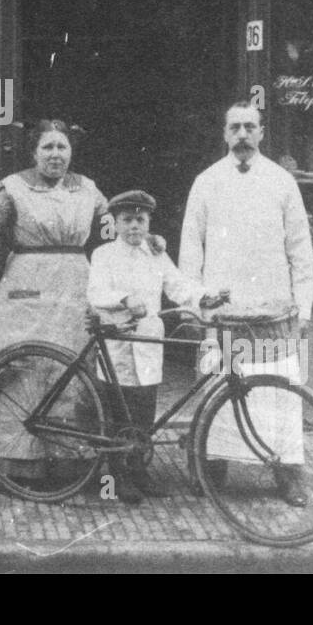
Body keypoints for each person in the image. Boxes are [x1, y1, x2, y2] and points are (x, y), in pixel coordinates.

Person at [178, 100, 313, 507]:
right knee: (218, 388)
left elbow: (300, 249)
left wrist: (304, 307)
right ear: (224, 134)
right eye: (234, 127)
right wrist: (195, 303)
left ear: (261, 132)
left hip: (273, 309)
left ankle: (287, 472)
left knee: (280, 393)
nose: (242, 135)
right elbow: (190, 247)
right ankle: (211, 466)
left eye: (249, 127)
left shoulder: (281, 182)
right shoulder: (205, 181)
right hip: (224, 311)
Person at [0, 119, 108, 490]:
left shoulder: (89, 190)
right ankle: (19, 465)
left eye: (61, 147)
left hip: (74, 287)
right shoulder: (13, 188)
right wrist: (10, 270)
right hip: (26, 287)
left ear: (71, 152)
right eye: (47, 147)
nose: (55, 155)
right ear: (33, 153)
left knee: (72, 371)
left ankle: (67, 463)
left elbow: (110, 232)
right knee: (24, 369)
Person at [87, 190, 227, 503]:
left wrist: (203, 297)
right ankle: (117, 474)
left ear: (148, 222)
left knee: (144, 409)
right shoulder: (103, 254)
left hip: (149, 338)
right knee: (118, 410)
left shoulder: (156, 254)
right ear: (116, 223)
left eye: (140, 220)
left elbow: (177, 285)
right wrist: (124, 299)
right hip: (118, 340)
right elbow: (96, 291)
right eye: (127, 220)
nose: (134, 226)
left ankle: (139, 470)